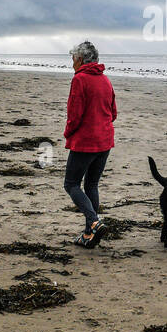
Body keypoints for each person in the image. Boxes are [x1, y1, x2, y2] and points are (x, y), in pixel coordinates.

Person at [62, 40, 116, 248]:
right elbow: (113, 113)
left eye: (73, 58)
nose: (72, 62)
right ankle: (89, 233)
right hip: (105, 141)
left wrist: (68, 133)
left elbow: (74, 115)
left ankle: (94, 221)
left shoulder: (80, 80)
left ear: (81, 59)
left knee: (71, 184)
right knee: (91, 184)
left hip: (86, 142)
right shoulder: (106, 80)